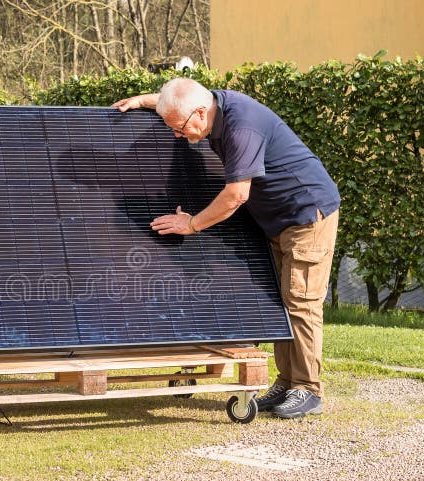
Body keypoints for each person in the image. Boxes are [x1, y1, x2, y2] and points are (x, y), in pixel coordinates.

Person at [113, 78, 340, 419]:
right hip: (277, 219)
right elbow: (182, 98)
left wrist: (192, 224)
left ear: (200, 114)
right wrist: (145, 101)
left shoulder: (241, 127)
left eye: (179, 128)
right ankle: (287, 382)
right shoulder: (208, 106)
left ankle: (308, 389)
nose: (177, 135)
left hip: (306, 215)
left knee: (301, 301)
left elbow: (236, 195)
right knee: (282, 301)